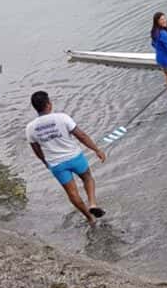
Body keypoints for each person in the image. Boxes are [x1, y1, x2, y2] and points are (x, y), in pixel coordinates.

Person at [25, 91, 107, 225]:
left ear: (35, 108)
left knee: (72, 193)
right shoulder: (62, 118)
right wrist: (96, 149)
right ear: (49, 104)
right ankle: (92, 203)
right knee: (87, 177)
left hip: (57, 164)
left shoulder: (30, 128)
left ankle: (90, 218)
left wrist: (45, 162)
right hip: (75, 157)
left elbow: (37, 150)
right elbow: (81, 136)